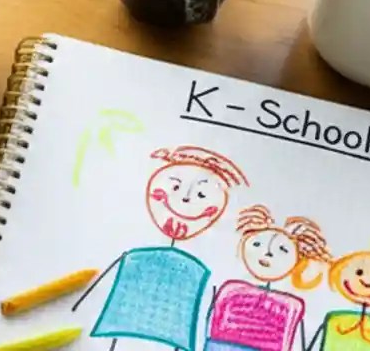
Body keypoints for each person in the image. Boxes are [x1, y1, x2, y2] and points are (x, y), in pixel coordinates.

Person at [72, 145, 250, 351]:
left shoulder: (196, 273)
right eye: (175, 187)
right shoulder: (134, 259)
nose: (185, 199)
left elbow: (204, 313)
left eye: (201, 195)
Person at [205, 205, 332, 351]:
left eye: (283, 250)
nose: (267, 254)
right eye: (257, 244)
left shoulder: (289, 306)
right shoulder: (231, 291)